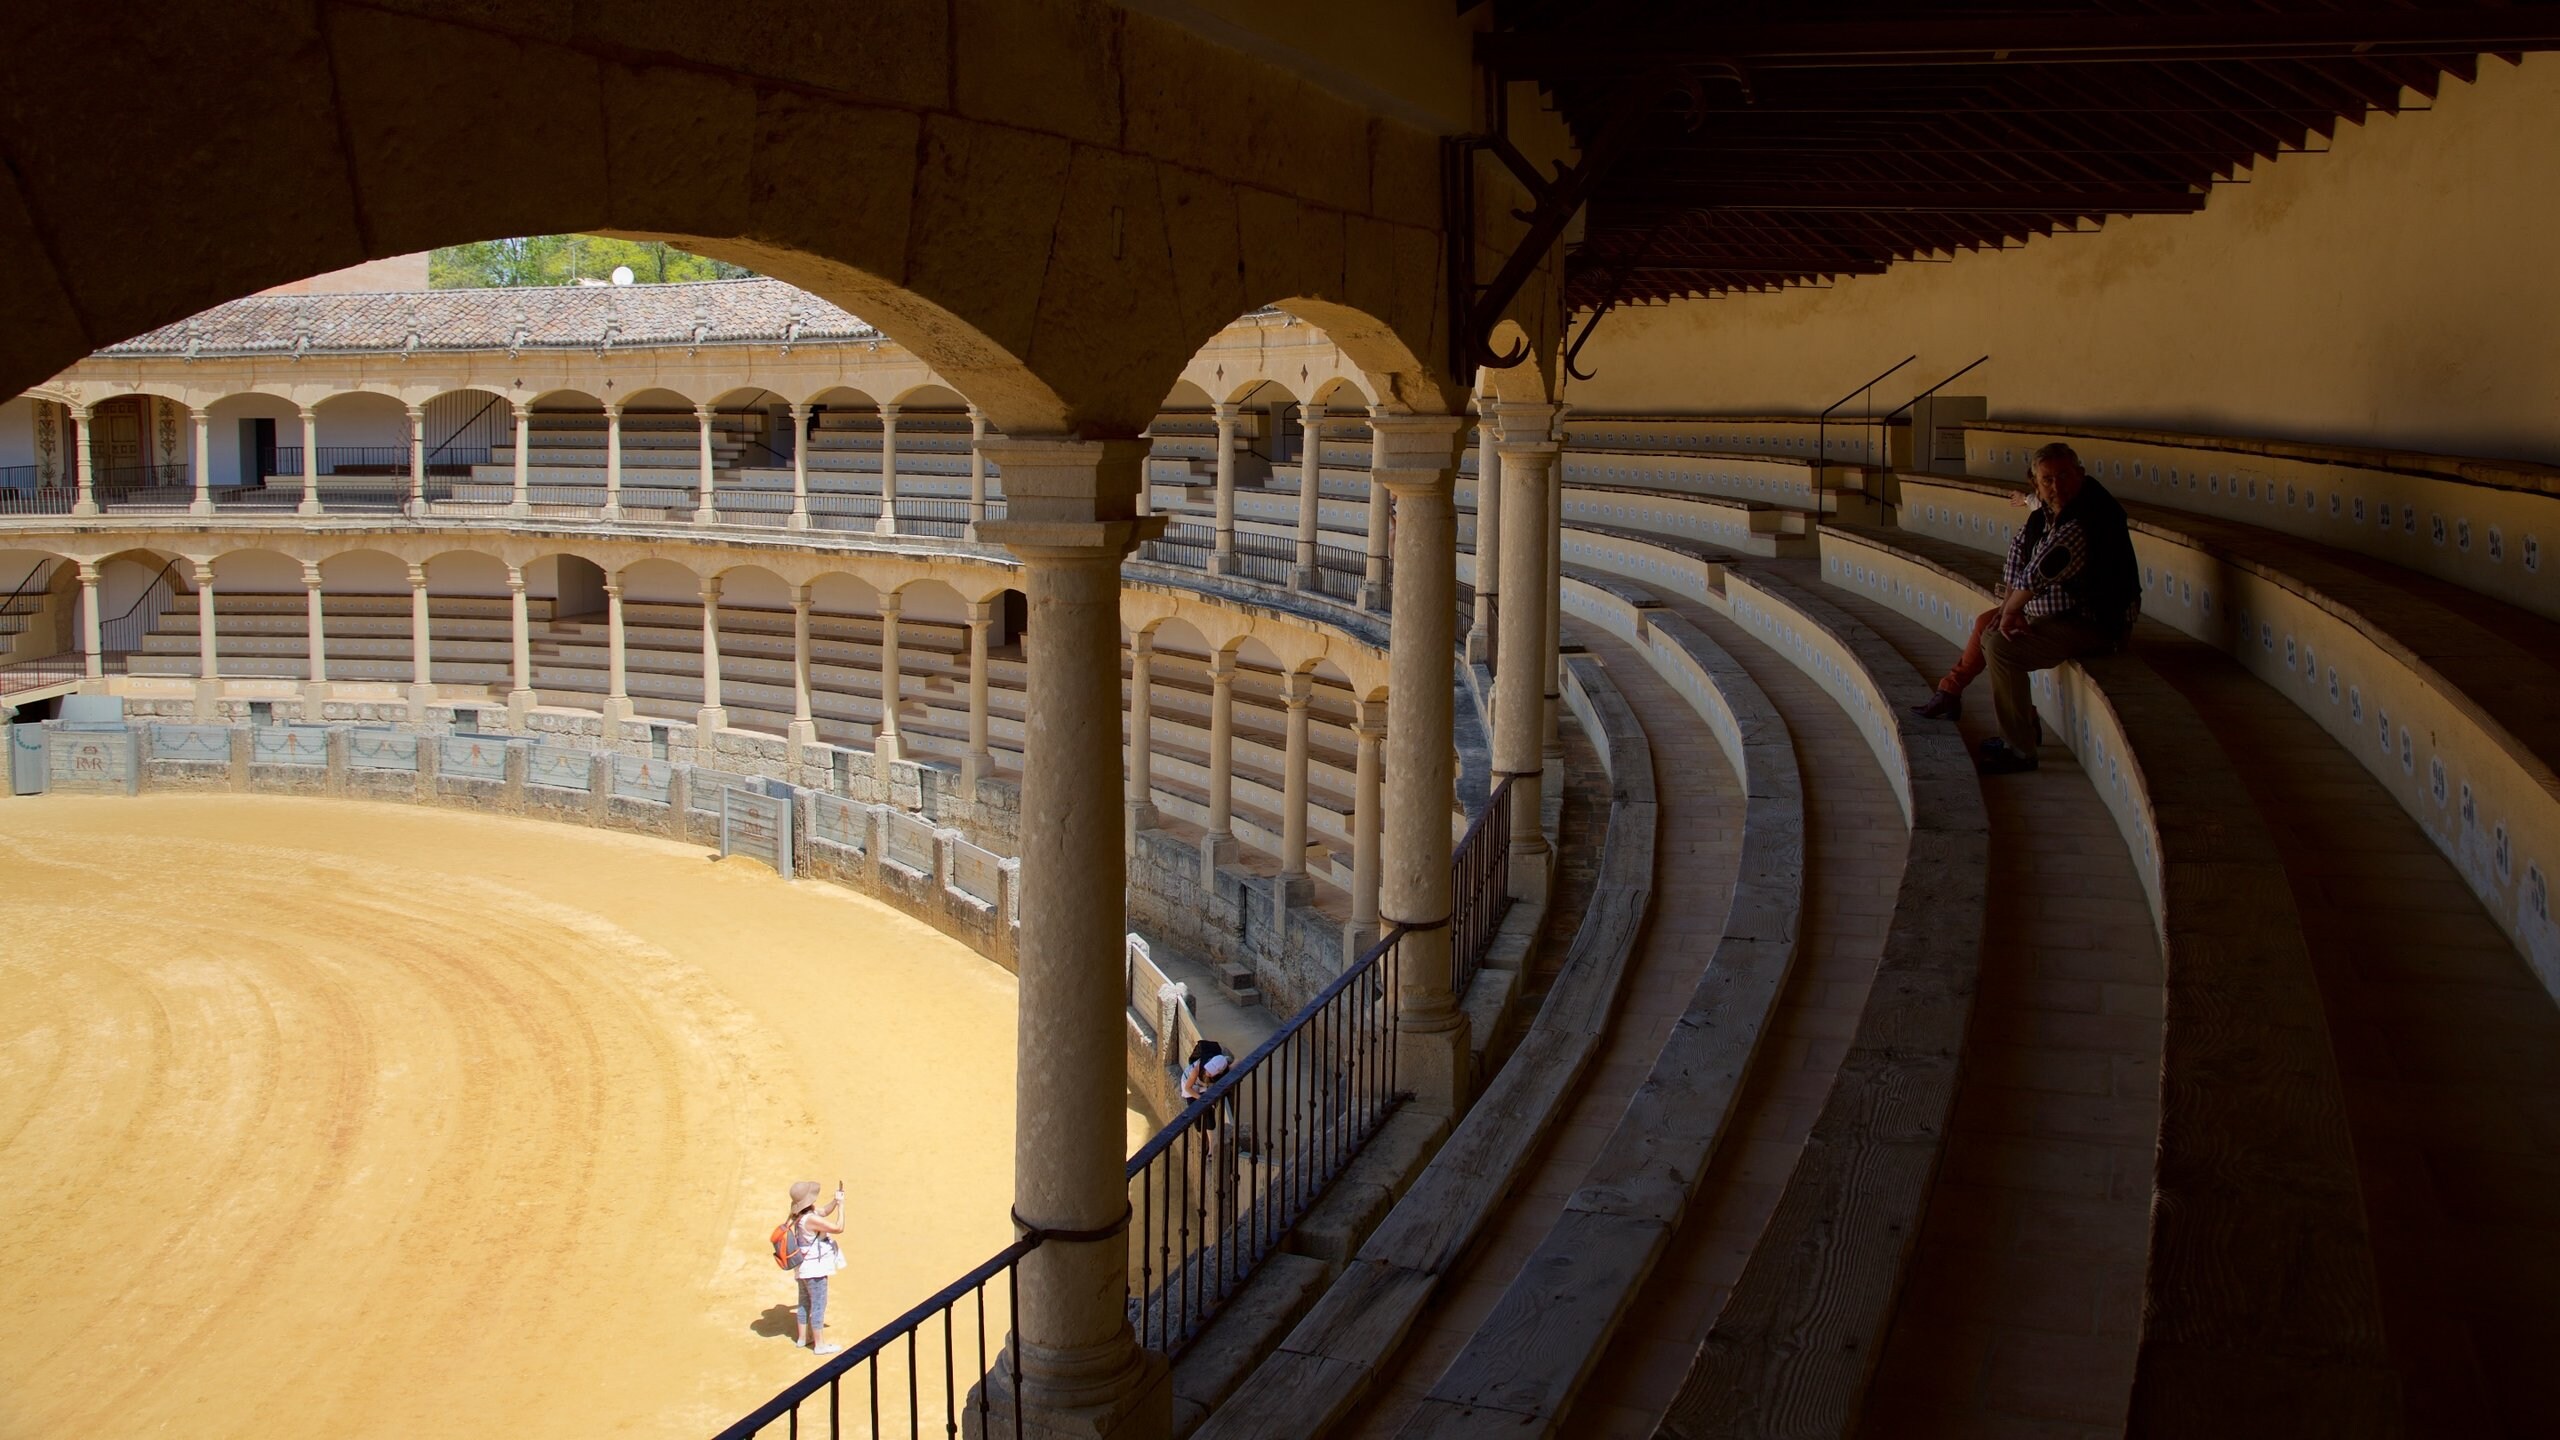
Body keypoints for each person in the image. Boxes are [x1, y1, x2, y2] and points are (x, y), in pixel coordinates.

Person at [1929, 442, 2141, 774]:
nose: (2057, 485)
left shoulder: (2086, 518)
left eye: (2064, 476)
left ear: (2080, 475)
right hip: (2064, 612)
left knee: (2000, 645)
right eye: (2048, 479)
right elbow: (2018, 564)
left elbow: (2040, 571)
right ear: (2035, 483)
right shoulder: (2044, 514)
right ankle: (1958, 696)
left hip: (2097, 623)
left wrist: (2012, 611)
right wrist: (2006, 609)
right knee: (1991, 624)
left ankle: (2018, 749)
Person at [787, 1179, 847, 1354]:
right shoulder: (810, 1219)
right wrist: (842, 1207)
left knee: (804, 1303)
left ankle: (802, 1338)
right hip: (815, 1269)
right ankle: (819, 1345)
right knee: (819, 1304)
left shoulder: (799, 1216)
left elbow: (824, 1211)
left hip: (803, 1268)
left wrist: (836, 1201)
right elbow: (838, 1227)